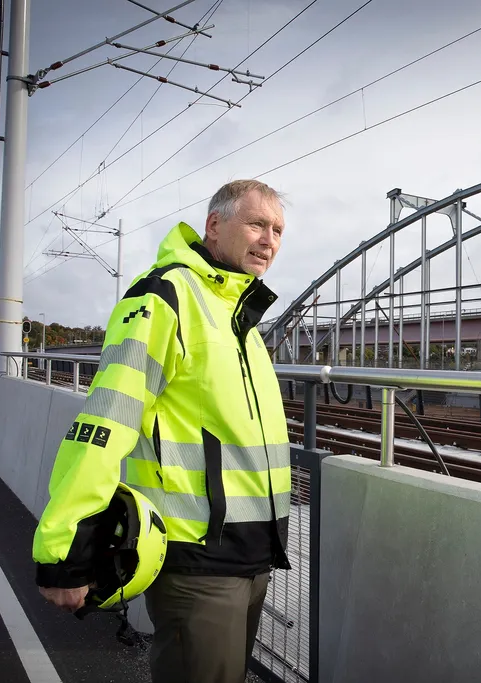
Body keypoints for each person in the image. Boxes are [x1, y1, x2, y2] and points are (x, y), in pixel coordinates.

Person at [32, 179, 293, 683]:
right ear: (215, 226)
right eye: (258, 224)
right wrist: (66, 551)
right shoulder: (167, 297)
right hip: (196, 554)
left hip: (253, 555)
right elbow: (108, 420)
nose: (270, 240)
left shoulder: (239, 317)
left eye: (278, 230)